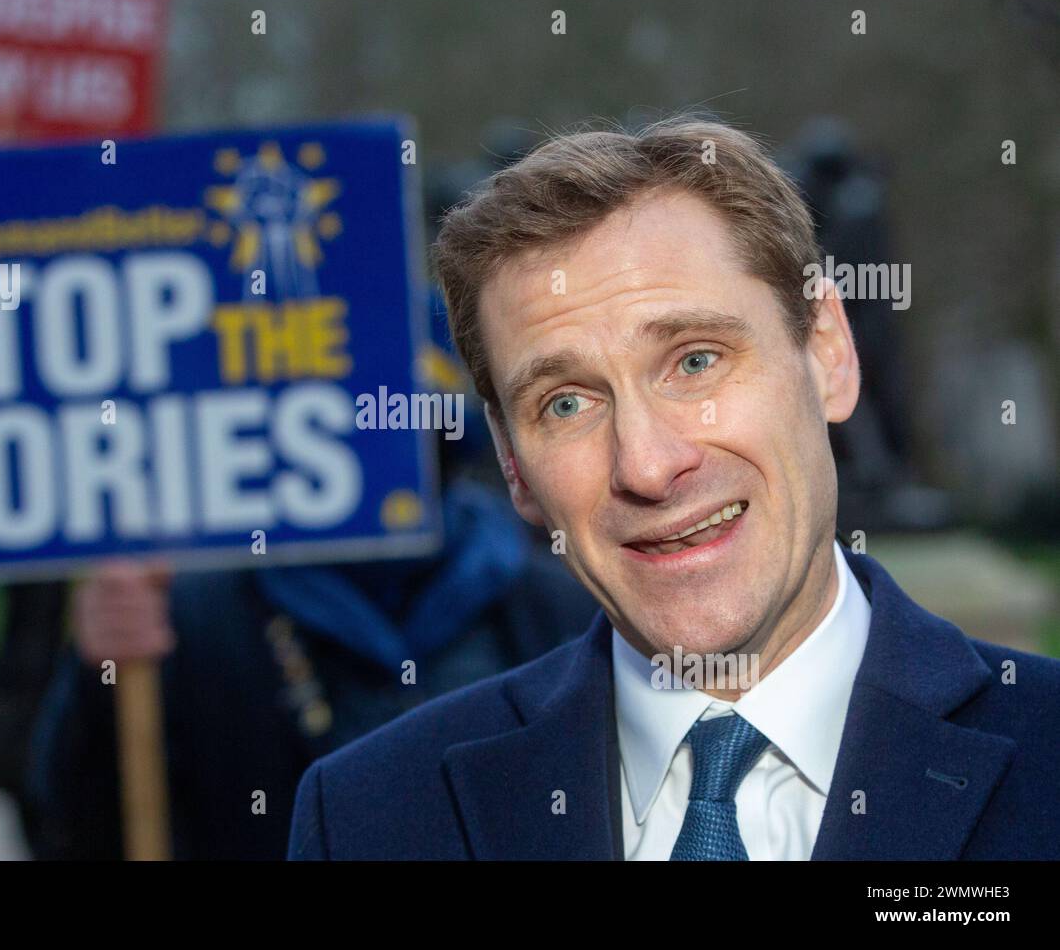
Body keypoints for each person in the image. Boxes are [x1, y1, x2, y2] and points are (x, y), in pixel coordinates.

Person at [287, 117, 1060, 861]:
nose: (648, 465)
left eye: (695, 361)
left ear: (827, 351)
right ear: (513, 464)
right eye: (566, 403)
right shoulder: (369, 819)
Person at [25, 339, 600, 860]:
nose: (379, 468)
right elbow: (77, 829)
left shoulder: (559, 603)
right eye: (344, 437)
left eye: (407, 434)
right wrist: (99, 682)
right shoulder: (193, 618)